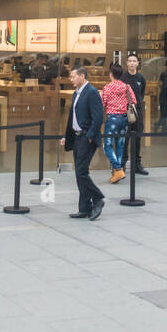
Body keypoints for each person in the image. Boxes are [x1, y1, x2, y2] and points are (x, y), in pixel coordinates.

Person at [61, 66, 105, 220]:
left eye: (73, 76)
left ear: (82, 76)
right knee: (80, 173)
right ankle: (85, 208)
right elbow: (72, 117)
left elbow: (98, 116)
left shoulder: (91, 92)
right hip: (78, 137)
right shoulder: (76, 93)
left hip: (87, 137)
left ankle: (98, 198)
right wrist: (67, 136)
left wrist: (91, 135)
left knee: (81, 172)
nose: (71, 79)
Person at [99, 63, 136, 184]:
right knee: (120, 145)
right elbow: (134, 101)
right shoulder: (126, 87)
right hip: (125, 119)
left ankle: (118, 169)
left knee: (107, 145)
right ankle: (117, 173)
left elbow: (103, 104)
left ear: (111, 75)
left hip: (112, 118)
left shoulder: (107, 87)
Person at [120, 53, 148, 175]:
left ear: (137, 63)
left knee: (137, 138)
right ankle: (122, 165)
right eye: (130, 61)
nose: (132, 63)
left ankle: (137, 165)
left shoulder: (141, 79)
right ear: (127, 63)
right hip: (124, 112)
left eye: (134, 61)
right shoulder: (122, 78)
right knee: (124, 139)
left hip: (137, 112)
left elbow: (141, 94)